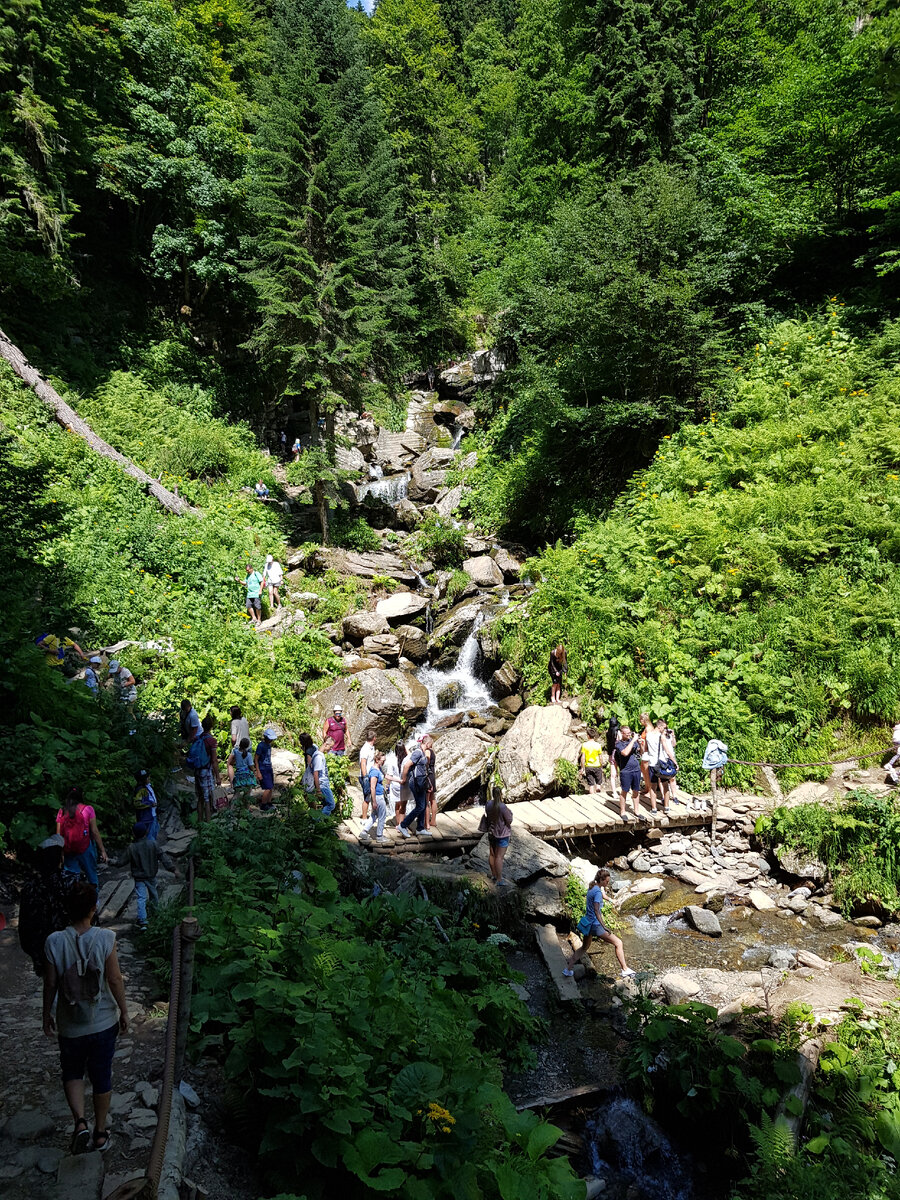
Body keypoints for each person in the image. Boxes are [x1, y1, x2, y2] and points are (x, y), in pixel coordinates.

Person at [43, 881, 129, 1155]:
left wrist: (46, 1013)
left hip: (70, 1025)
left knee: (72, 1072)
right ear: (93, 909)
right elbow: (114, 979)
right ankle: (101, 1133)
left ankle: (80, 1121)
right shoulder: (105, 938)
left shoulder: (54, 941)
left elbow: (51, 983)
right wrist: (124, 1010)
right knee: (101, 1075)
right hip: (103, 1021)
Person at [17, 835, 76, 976]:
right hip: (72, 947)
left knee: (50, 985)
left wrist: (33, 951)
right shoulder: (72, 882)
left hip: (42, 949)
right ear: (60, 858)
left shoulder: (30, 888)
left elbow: (24, 926)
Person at [564, 870, 635, 979]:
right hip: (596, 925)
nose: (608, 883)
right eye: (606, 881)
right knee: (618, 943)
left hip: (588, 924)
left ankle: (568, 969)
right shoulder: (597, 892)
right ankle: (625, 969)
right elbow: (597, 911)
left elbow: (601, 895)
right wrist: (604, 926)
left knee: (584, 947)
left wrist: (611, 900)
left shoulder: (593, 888)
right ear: (601, 880)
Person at [119, 824, 174, 930]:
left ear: (134, 834)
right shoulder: (153, 844)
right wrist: (172, 868)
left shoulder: (132, 847)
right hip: (151, 875)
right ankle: (155, 914)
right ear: (146, 832)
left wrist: (110, 862)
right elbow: (163, 857)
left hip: (139, 877)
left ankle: (143, 921)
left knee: (141, 898)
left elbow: (121, 862)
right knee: (154, 895)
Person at [56, 787, 108, 885]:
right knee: (91, 875)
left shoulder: (62, 811)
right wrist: (102, 850)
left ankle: (73, 898)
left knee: (71, 878)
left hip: (68, 849)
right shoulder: (88, 809)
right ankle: (94, 898)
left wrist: (61, 854)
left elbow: (58, 834)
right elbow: (94, 832)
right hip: (84, 847)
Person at [186, 715, 221, 822]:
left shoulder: (198, 738)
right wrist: (218, 776)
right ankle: (208, 824)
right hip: (206, 771)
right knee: (207, 798)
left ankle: (200, 821)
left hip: (197, 770)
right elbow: (214, 761)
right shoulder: (211, 741)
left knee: (200, 797)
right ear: (211, 727)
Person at [399, 736, 433, 838]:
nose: (431, 747)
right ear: (427, 744)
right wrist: (404, 779)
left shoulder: (422, 752)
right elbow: (406, 766)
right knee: (420, 806)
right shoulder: (417, 752)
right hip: (415, 783)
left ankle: (420, 828)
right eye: (431, 744)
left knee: (423, 804)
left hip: (421, 782)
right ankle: (403, 825)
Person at [478, 789, 513, 885]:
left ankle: (493, 875)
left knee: (492, 855)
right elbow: (509, 820)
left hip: (491, 833)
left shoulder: (488, 804)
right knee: (499, 857)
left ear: (492, 794)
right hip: (502, 834)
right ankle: (499, 879)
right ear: (501, 794)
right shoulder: (502, 807)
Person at [300, 733, 336, 816]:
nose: (330, 749)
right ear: (326, 744)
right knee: (331, 805)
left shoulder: (318, 753)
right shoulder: (319, 757)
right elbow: (315, 774)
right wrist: (318, 790)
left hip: (323, 784)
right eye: (330, 747)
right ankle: (318, 820)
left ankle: (322, 821)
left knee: (326, 804)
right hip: (322, 785)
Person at [648, 719, 678, 818]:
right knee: (665, 785)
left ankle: (654, 808)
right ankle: (667, 807)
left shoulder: (648, 735)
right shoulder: (661, 737)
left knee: (653, 786)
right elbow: (668, 750)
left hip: (652, 763)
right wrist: (675, 763)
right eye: (664, 728)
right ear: (659, 727)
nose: (665, 730)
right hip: (661, 763)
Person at [614, 726, 644, 823]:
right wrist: (633, 740)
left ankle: (636, 811)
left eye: (629, 732)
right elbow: (625, 753)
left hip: (636, 769)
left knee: (636, 791)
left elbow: (642, 752)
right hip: (626, 771)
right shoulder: (619, 744)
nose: (629, 734)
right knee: (624, 791)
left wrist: (640, 742)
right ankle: (622, 811)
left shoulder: (633, 741)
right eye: (626, 733)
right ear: (622, 733)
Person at [359, 751, 387, 842]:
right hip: (378, 797)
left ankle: (364, 832)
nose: (384, 762)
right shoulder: (374, 772)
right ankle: (379, 836)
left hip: (378, 795)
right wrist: (374, 801)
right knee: (382, 815)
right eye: (383, 760)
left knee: (374, 816)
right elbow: (372, 787)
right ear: (377, 760)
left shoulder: (378, 769)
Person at [254, 727, 278, 810]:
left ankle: (269, 802)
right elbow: (256, 759)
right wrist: (258, 772)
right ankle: (263, 804)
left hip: (268, 767)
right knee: (267, 788)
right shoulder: (261, 746)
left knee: (271, 786)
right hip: (263, 768)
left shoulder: (269, 745)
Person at [132, 769, 159, 842]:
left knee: (154, 833)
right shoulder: (140, 789)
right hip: (146, 817)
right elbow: (137, 803)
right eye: (147, 777)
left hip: (152, 815)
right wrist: (150, 804)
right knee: (149, 837)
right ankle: (151, 851)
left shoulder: (147, 787)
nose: (149, 778)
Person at [228, 737, 257, 804]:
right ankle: (246, 809)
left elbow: (232, 760)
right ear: (247, 746)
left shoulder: (236, 752)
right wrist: (254, 772)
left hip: (238, 775)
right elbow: (251, 766)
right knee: (247, 794)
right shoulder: (248, 755)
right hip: (247, 776)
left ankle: (232, 809)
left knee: (236, 794)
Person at [384, 741, 405, 823]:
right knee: (403, 805)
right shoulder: (406, 760)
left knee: (397, 804)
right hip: (404, 784)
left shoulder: (392, 761)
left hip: (395, 785)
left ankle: (398, 823)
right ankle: (402, 824)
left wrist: (387, 785)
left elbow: (389, 775)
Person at [358, 729, 377, 820]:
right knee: (367, 797)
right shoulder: (365, 749)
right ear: (374, 738)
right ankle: (364, 818)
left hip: (371, 775)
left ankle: (373, 816)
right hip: (366, 776)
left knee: (372, 796)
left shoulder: (371, 747)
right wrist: (365, 776)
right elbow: (363, 763)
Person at [579, 728, 605, 793]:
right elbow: (600, 757)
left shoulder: (584, 745)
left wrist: (582, 768)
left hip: (588, 766)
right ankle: (598, 790)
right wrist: (601, 766)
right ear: (594, 736)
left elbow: (583, 757)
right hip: (597, 766)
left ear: (588, 736)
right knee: (598, 783)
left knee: (591, 784)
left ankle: (592, 795)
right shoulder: (598, 745)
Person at [606, 715, 621, 798]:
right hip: (618, 753)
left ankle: (614, 792)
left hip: (611, 753)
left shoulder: (608, 732)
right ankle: (623, 791)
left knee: (613, 774)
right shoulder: (617, 732)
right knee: (622, 771)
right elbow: (621, 740)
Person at [424, 739, 438, 831]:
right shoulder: (432, 751)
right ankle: (433, 820)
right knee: (432, 799)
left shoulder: (427, 751)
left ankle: (426, 823)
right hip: (432, 775)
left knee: (426, 800)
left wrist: (425, 765)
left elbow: (427, 759)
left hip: (428, 776)